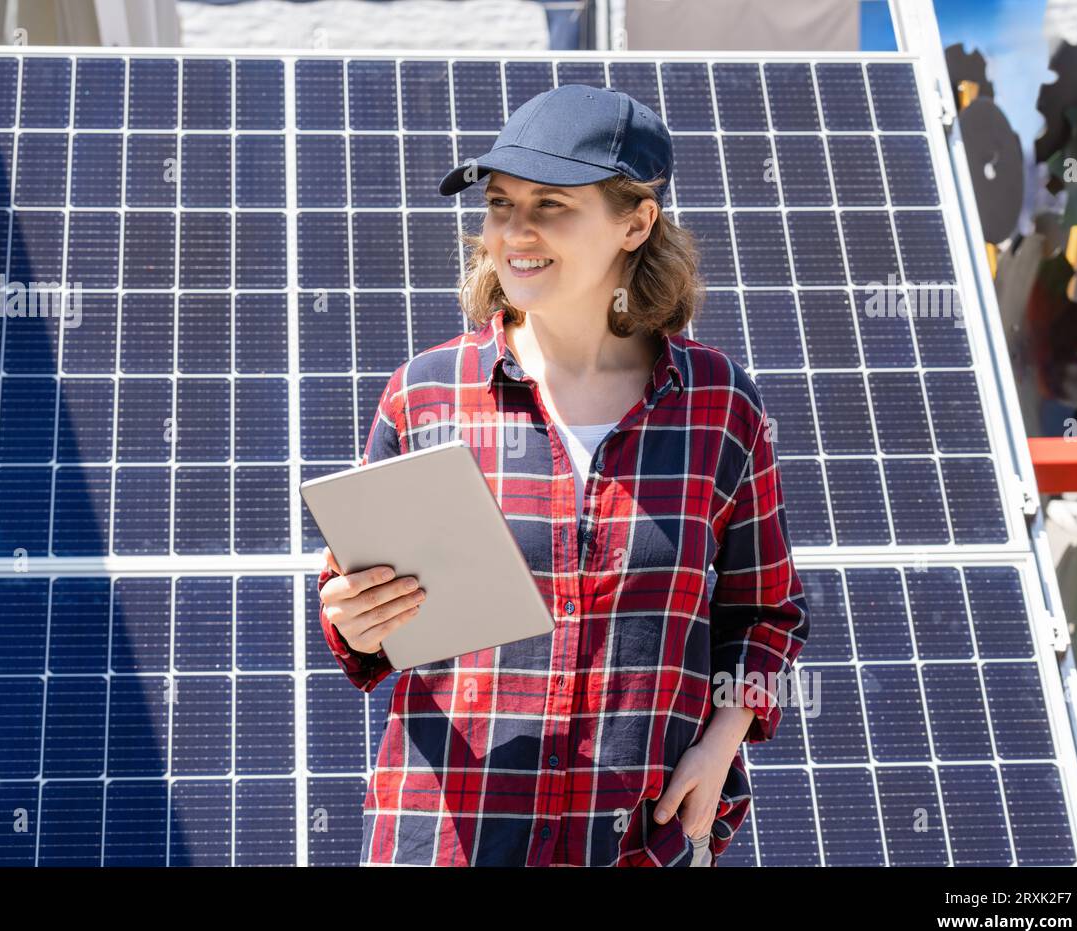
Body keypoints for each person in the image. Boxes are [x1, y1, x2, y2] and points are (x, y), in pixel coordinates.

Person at [317, 84, 810, 867]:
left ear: (636, 222)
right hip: (447, 834)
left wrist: (721, 747)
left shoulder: (719, 407)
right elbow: (361, 623)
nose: (515, 231)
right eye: (502, 202)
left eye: (551, 205)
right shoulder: (427, 392)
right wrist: (352, 619)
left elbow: (767, 614)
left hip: (631, 837)